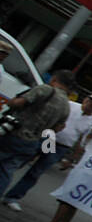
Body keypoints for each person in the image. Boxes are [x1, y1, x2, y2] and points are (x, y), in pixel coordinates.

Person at [2, 90, 92, 210]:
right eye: (90, 101)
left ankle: (13, 197)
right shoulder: (69, 105)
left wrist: (71, 159)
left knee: (36, 172)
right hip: (48, 137)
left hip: (61, 146)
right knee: (18, 162)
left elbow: (82, 142)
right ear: (86, 99)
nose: (90, 105)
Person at [0, 68, 72, 197]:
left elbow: (19, 103)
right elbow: (56, 129)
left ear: (54, 79)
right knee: (7, 171)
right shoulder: (66, 106)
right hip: (32, 143)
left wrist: (12, 102)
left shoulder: (45, 90)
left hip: (15, 134)